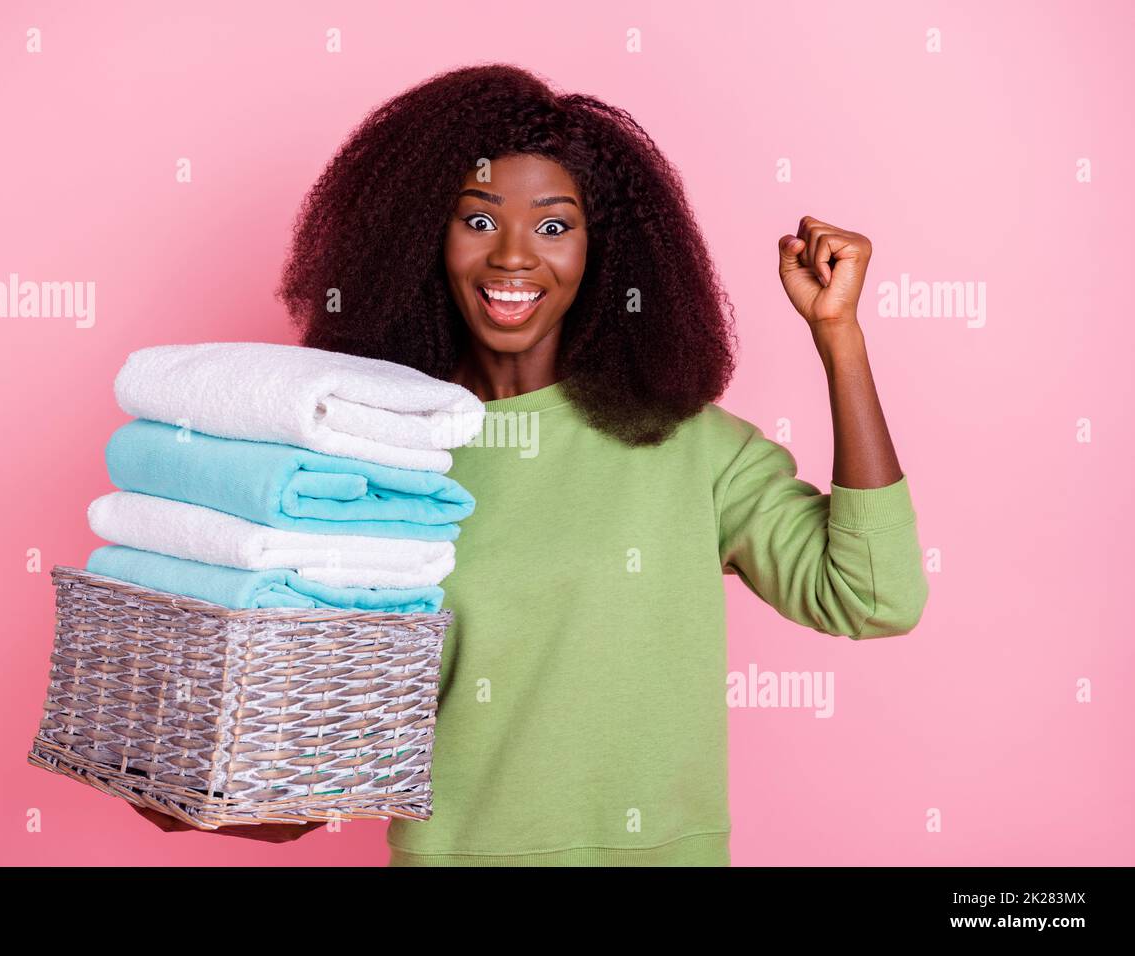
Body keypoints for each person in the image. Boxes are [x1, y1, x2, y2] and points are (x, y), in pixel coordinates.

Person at [134, 63, 929, 866]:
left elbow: (872, 596)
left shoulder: (693, 447)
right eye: (477, 222)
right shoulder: (377, 458)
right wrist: (203, 801)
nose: (513, 257)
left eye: (554, 226)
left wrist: (839, 336)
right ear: (421, 237)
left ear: (603, 250)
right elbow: (335, 758)